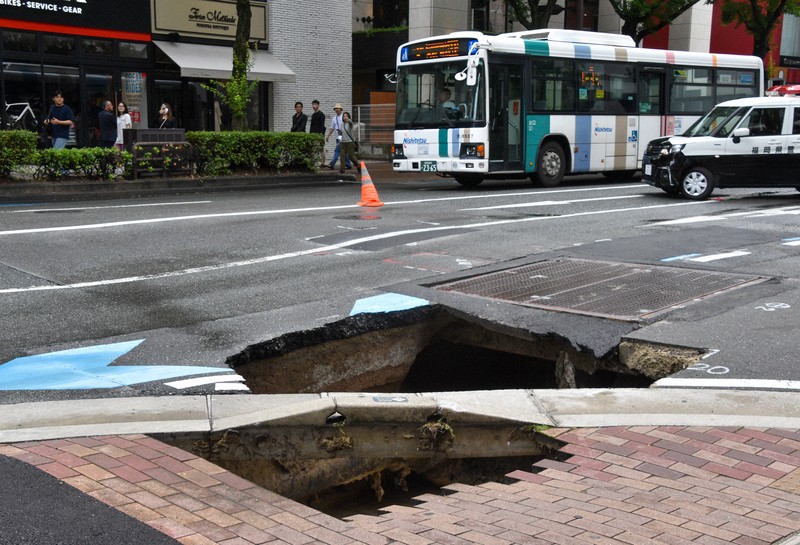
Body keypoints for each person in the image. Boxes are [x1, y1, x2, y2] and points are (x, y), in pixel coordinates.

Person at [325, 103, 352, 169]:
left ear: (341, 109)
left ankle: (332, 164)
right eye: (335, 108)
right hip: (338, 137)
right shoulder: (334, 118)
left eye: (338, 108)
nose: (337, 109)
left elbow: (349, 125)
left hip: (344, 137)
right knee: (344, 152)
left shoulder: (344, 116)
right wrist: (328, 136)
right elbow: (332, 128)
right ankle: (348, 165)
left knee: (337, 151)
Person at [309, 99, 326, 165]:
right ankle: (314, 162)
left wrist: (321, 136)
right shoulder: (313, 115)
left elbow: (322, 126)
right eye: (313, 105)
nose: (314, 106)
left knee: (321, 149)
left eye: (315, 104)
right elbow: (311, 126)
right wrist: (310, 135)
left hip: (319, 135)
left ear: (318, 105)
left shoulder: (321, 115)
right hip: (313, 135)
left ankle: (323, 163)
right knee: (313, 149)